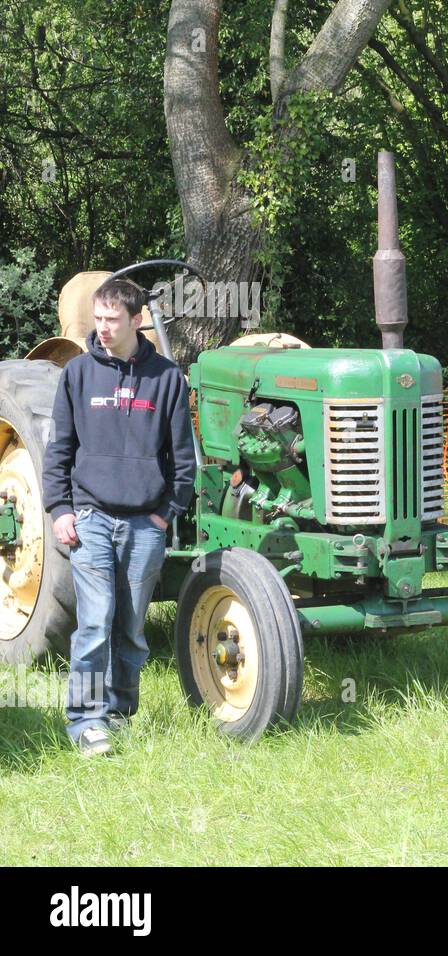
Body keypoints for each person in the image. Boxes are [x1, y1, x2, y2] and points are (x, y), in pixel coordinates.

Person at [41, 279, 196, 757]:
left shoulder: (167, 378)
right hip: (90, 517)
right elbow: (59, 451)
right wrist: (60, 510)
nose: (102, 328)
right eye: (98, 318)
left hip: (144, 524)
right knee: (93, 623)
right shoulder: (78, 375)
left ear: (135, 321)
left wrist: (166, 514)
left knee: (130, 628)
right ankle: (87, 721)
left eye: (112, 320)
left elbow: (183, 460)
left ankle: (121, 713)